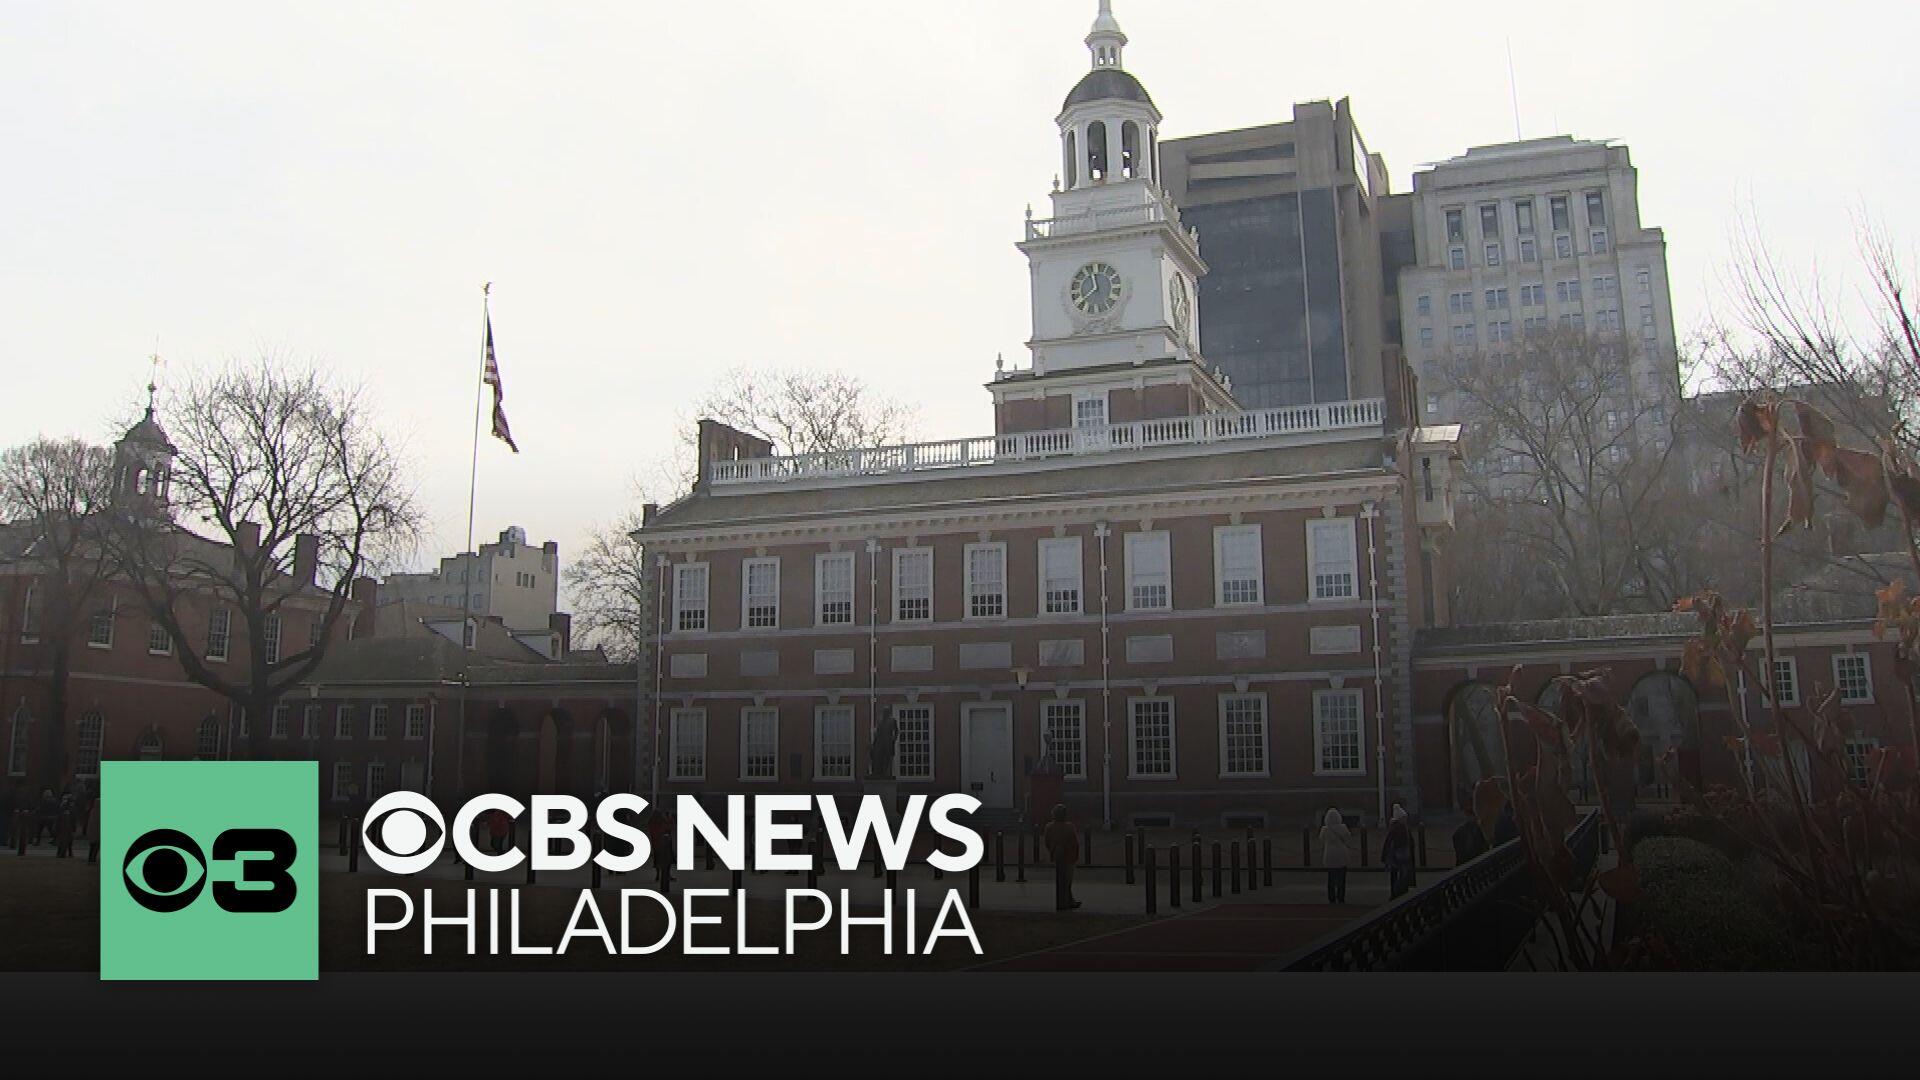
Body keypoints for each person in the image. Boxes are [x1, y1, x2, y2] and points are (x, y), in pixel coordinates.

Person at [1042, 804, 1081, 911]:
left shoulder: (1049, 827)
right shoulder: (1069, 827)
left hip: (1056, 855)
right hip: (1069, 856)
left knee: (1061, 879)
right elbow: (1074, 842)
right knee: (1067, 880)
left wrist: (1052, 851)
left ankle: (1068, 901)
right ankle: (1067, 902)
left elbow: (1047, 841)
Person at [1318, 808, 1353, 904]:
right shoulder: (1343, 828)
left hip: (1329, 854)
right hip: (1342, 853)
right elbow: (1348, 837)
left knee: (1331, 878)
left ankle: (1331, 897)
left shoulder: (1324, 829)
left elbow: (1321, 839)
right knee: (1342, 878)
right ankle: (1341, 897)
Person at [1382, 804, 1416, 899]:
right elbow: (1401, 842)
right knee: (1401, 874)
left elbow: (1388, 842)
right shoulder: (1400, 828)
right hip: (1399, 856)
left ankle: (1396, 892)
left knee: (1396, 874)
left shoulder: (1397, 827)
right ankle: (1398, 892)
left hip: (1396, 856)